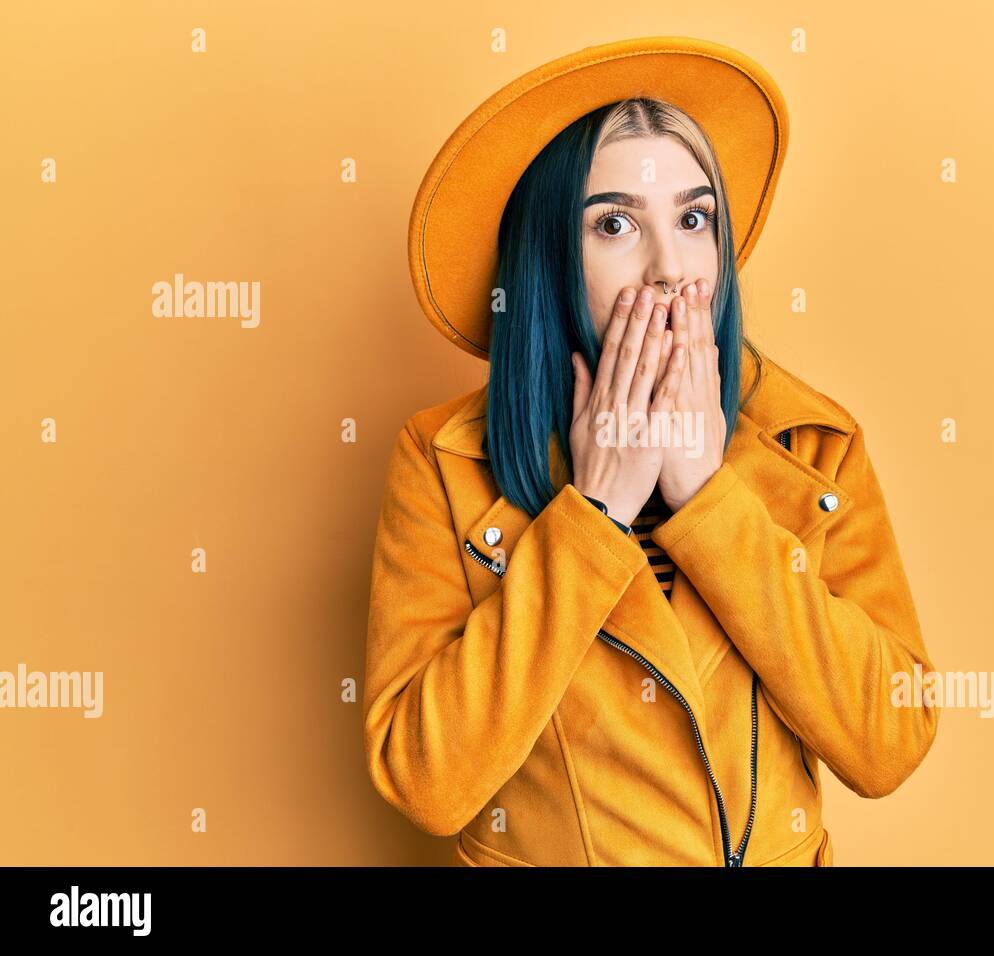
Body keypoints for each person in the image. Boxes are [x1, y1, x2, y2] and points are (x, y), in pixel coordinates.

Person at [363, 36, 940, 867]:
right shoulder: (443, 460)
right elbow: (428, 781)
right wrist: (593, 515)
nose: (671, 268)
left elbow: (888, 742)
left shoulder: (814, 443)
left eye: (694, 218)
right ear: (549, 257)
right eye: (616, 223)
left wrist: (708, 497)